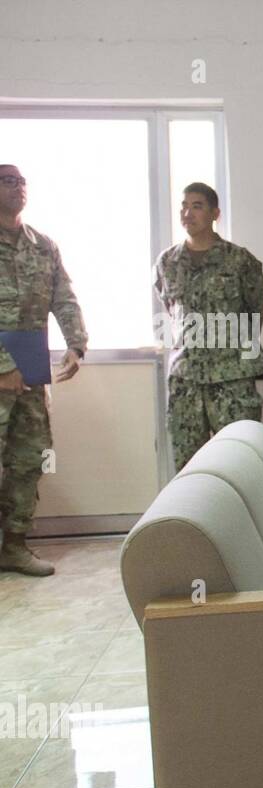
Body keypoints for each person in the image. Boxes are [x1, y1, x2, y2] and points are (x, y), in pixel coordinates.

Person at [0, 164, 87, 576]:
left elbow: (63, 297)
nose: (17, 188)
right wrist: (3, 367)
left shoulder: (43, 246)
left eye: (21, 181)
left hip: (31, 369)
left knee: (29, 458)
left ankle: (14, 546)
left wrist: (76, 344)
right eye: (7, 180)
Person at [154, 182, 263, 470]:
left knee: (241, 464)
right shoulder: (167, 263)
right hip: (186, 381)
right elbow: (171, 310)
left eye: (197, 206)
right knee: (189, 470)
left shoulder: (240, 261)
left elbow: (254, 311)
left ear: (215, 213)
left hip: (232, 380)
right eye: (183, 206)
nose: (187, 212)